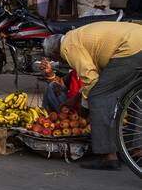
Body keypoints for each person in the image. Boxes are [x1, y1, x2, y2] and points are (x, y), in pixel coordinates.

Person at [41, 21, 142, 170]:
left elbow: (90, 79)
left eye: (57, 59)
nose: (60, 61)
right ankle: (136, 148)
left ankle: (108, 156)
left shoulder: (68, 47)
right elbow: (100, 75)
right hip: (135, 39)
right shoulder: (76, 36)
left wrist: (84, 107)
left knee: (98, 97)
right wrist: (77, 98)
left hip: (130, 48)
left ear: (56, 52)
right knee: (135, 96)